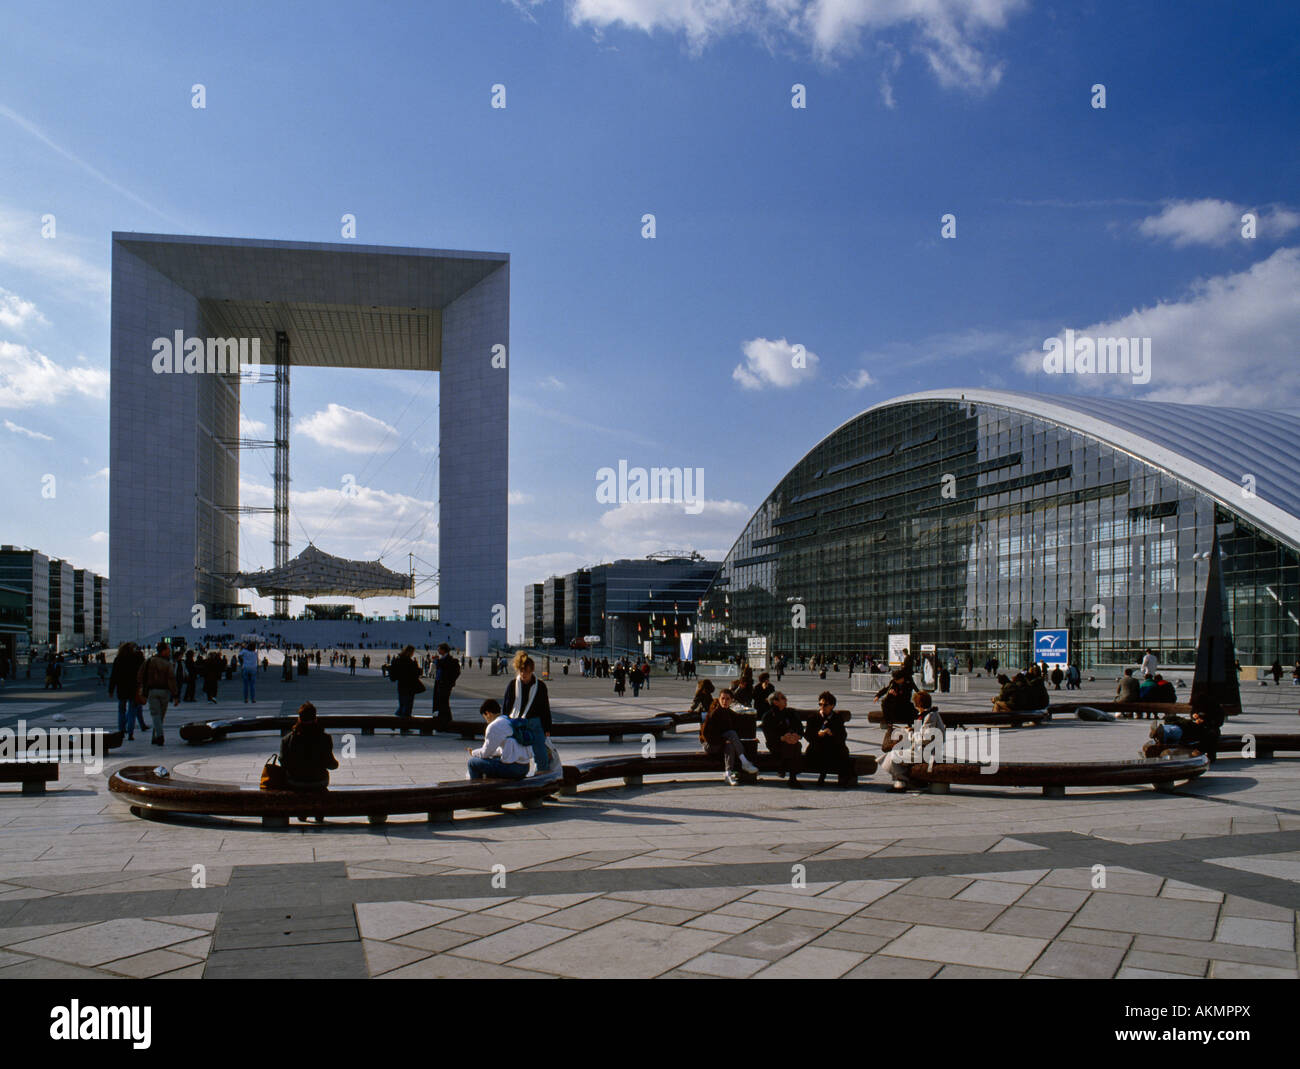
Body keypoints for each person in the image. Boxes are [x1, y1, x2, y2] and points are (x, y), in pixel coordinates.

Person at [279, 702, 339, 820]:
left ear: (299, 718)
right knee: (319, 786)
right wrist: (335, 764)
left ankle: (302, 811)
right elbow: (330, 763)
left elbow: (283, 762)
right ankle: (319, 812)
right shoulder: (325, 738)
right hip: (319, 780)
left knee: (300, 785)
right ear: (315, 718)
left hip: (296, 781)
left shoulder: (287, 739)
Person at [880, 690, 946, 791]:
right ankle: (902, 781)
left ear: (918, 704)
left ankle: (904, 781)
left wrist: (911, 734)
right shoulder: (926, 714)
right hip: (923, 750)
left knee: (892, 756)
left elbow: (925, 738)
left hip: (926, 752)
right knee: (889, 756)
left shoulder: (929, 716)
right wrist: (912, 730)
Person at [503, 651, 553, 771]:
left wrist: (547, 728)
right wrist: (504, 723)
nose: (523, 674)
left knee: (541, 756)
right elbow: (506, 707)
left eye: (526, 671)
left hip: (534, 724)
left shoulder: (540, 686)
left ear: (531, 670)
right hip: (516, 723)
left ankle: (542, 778)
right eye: (521, 670)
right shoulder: (512, 685)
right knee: (512, 754)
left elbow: (545, 708)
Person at [700, 689, 759, 786]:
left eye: (727, 699)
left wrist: (749, 740)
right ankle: (744, 762)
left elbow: (739, 727)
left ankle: (728, 774)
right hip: (710, 744)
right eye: (722, 698)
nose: (724, 701)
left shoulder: (728, 712)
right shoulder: (714, 713)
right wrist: (723, 741)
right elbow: (706, 735)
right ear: (718, 699)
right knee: (731, 735)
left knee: (730, 744)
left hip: (721, 743)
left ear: (731, 700)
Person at [467, 699, 533, 781]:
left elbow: (485, 753)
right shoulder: (508, 720)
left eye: (485, 717)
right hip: (525, 767)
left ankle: (476, 790)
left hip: (512, 769)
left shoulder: (494, 726)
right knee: (493, 760)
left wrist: (473, 753)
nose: (486, 721)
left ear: (487, 713)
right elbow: (500, 750)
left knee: (473, 762)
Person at [760, 691, 806, 788]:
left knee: (795, 745)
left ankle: (784, 768)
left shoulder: (791, 712)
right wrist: (783, 738)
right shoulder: (768, 716)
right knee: (792, 747)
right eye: (783, 698)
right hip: (776, 744)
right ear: (775, 702)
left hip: (792, 741)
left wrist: (796, 736)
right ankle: (792, 778)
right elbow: (769, 736)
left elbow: (800, 728)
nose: (786, 700)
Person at [137, 641, 179, 746]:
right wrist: (175, 695)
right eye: (168, 650)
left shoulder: (149, 661)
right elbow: (171, 680)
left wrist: (141, 688)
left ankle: (154, 737)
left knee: (156, 715)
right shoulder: (167, 664)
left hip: (152, 691)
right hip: (164, 691)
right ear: (163, 651)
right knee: (160, 716)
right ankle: (160, 736)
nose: (169, 652)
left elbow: (140, 675)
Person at [804, 692, 850, 786]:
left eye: (825, 705)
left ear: (832, 706)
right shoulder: (813, 717)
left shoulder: (837, 718)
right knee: (824, 751)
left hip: (833, 745)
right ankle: (822, 775)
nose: (822, 707)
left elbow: (843, 735)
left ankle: (842, 777)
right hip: (817, 745)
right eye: (820, 704)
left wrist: (832, 733)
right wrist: (818, 734)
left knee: (843, 751)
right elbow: (808, 735)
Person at [108, 641, 147, 741]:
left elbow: (114, 676)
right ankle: (130, 733)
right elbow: (142, 672)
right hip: (133, 688)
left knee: (121, 710)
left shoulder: (118, 659)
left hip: (121, 689)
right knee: (132, 711)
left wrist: (111, 689)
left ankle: (121, 730)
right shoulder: (136, 659)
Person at [431, 642, 459, 730]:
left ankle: (445, 721)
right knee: (442, 703)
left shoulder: (448, 660)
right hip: (441, 683)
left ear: (443, 650)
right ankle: (444, 721)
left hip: (444, 684)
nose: (438, 651)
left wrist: (436, 661)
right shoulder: (443, 659)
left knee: (443, 702)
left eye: (439, 649)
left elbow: (444, 666)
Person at [390, 645, 422, 719]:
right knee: (407, 706)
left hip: (401, 686)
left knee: (402, 705)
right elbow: (414, 674)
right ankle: (403, 725)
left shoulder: (398, 660)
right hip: (409, 686)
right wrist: (416, 667)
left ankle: (396, 722)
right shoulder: (409, 662)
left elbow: (394, 675)